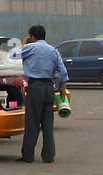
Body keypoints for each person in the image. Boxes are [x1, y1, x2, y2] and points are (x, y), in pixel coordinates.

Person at [15, 24, 69, 164]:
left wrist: (23, 43)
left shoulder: (30, 47)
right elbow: (62, 71)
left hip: (35, 87)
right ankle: (48, 156)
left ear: (32, 37)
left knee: (32, 123)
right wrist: (63, 87)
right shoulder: (53, 50)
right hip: (49, 88)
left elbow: (13, 55)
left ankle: (28, 156)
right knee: (47, 124)